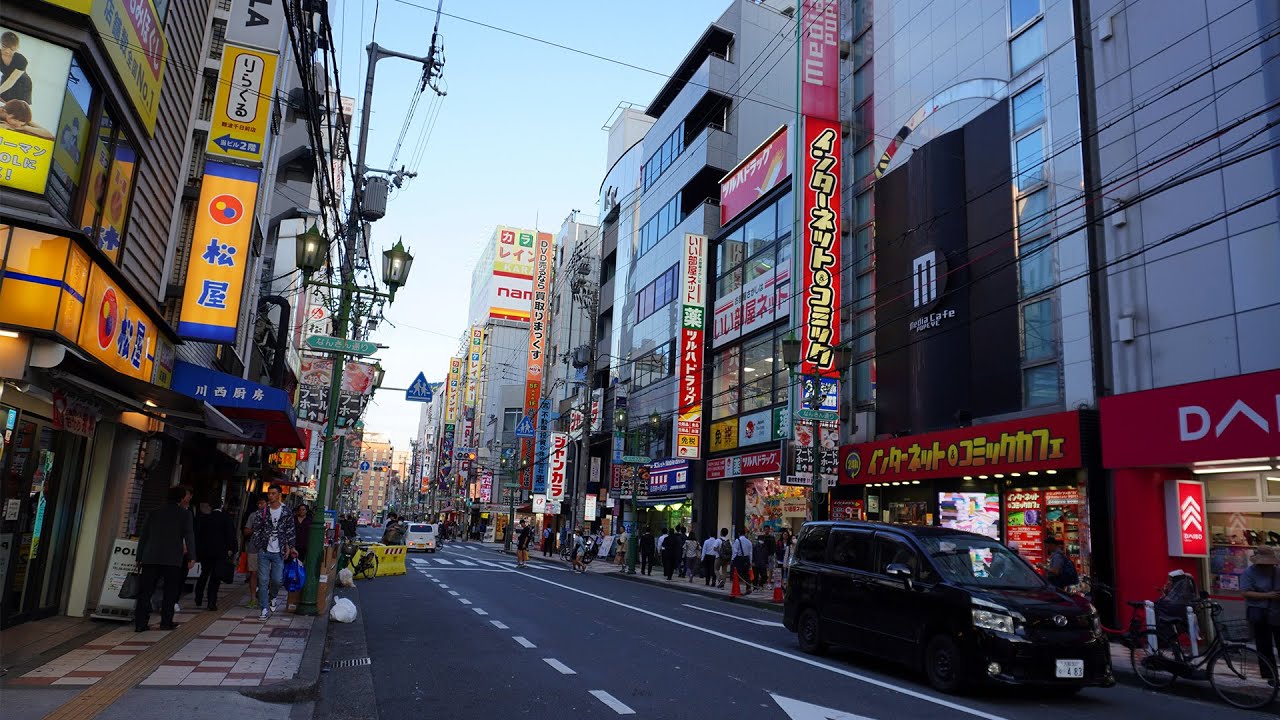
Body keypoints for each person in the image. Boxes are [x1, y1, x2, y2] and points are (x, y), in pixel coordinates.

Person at [134, 485, 196, 632]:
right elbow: (189, 535)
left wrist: (139, 556)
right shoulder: (184, 514)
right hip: (172, 558)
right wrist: (192, 556)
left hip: (150, 557)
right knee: (170, 591)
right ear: (181, 498)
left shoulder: (153, 512)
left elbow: (144, 536)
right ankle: (166, 622)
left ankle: (140, 624)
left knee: (146, 591)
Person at [251, 484, 297, 620]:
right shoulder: (262, 511)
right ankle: (264, 608)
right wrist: (259, 544)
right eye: (269, 494)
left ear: (279, 495)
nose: (270, 496)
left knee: (277, 579)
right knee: (263, 580)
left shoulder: (286, 511)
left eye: (273, 493)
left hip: (279, 551)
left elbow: (290, 530)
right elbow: (257, 529)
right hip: (264, 550)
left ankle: (273, 597)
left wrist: (291, 546)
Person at [1240, 545, 1280, 678]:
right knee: (1264, 646)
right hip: (1259, 614)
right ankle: (1270, 676)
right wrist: (1268, 595)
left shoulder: (1277, 572)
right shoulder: (1249, 573)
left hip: (1277, 613)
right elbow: (1245, 592)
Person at [194, 497, 236, 611]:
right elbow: (231, 535)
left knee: (204, 574)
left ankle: (198, 597)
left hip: (205, 552)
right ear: (221, 506)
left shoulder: (205, 518)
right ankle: (211, 602)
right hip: (220, 552)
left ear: (210, 507)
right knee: (215, 577)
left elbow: (199, 536)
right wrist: (231, 549)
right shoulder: (226, 518)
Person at [243, 496, 267, 609]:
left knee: (266, 575)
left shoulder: (272, 516)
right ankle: (253, 598)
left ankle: (264, 597)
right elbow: (246, 531)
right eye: (258, 504)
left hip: (267, 549)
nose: (260, 506)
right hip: (253, 548)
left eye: (262, 503)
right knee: (253, 573)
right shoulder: (253, 515)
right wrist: (254, 529)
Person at [0, 31, 33, 104]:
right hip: (6, 79)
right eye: (4, 47)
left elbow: (12, 79)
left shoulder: (21, 60)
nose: (7, 51)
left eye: (12, 49)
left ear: (16, 48)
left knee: (16, 108)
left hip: (22, 84)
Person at [731, 528, 753, 593]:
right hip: (746, 559)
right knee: (746, 574)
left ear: (739, 533)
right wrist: (750, 561)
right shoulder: (749, 542)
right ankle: (748, 588)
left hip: (739, 559)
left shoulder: (737, 541)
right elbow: (750, 553)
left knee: (737, 573)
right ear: (745, 533)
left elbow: (735, 551)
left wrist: (733, 559)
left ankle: (737, 588)